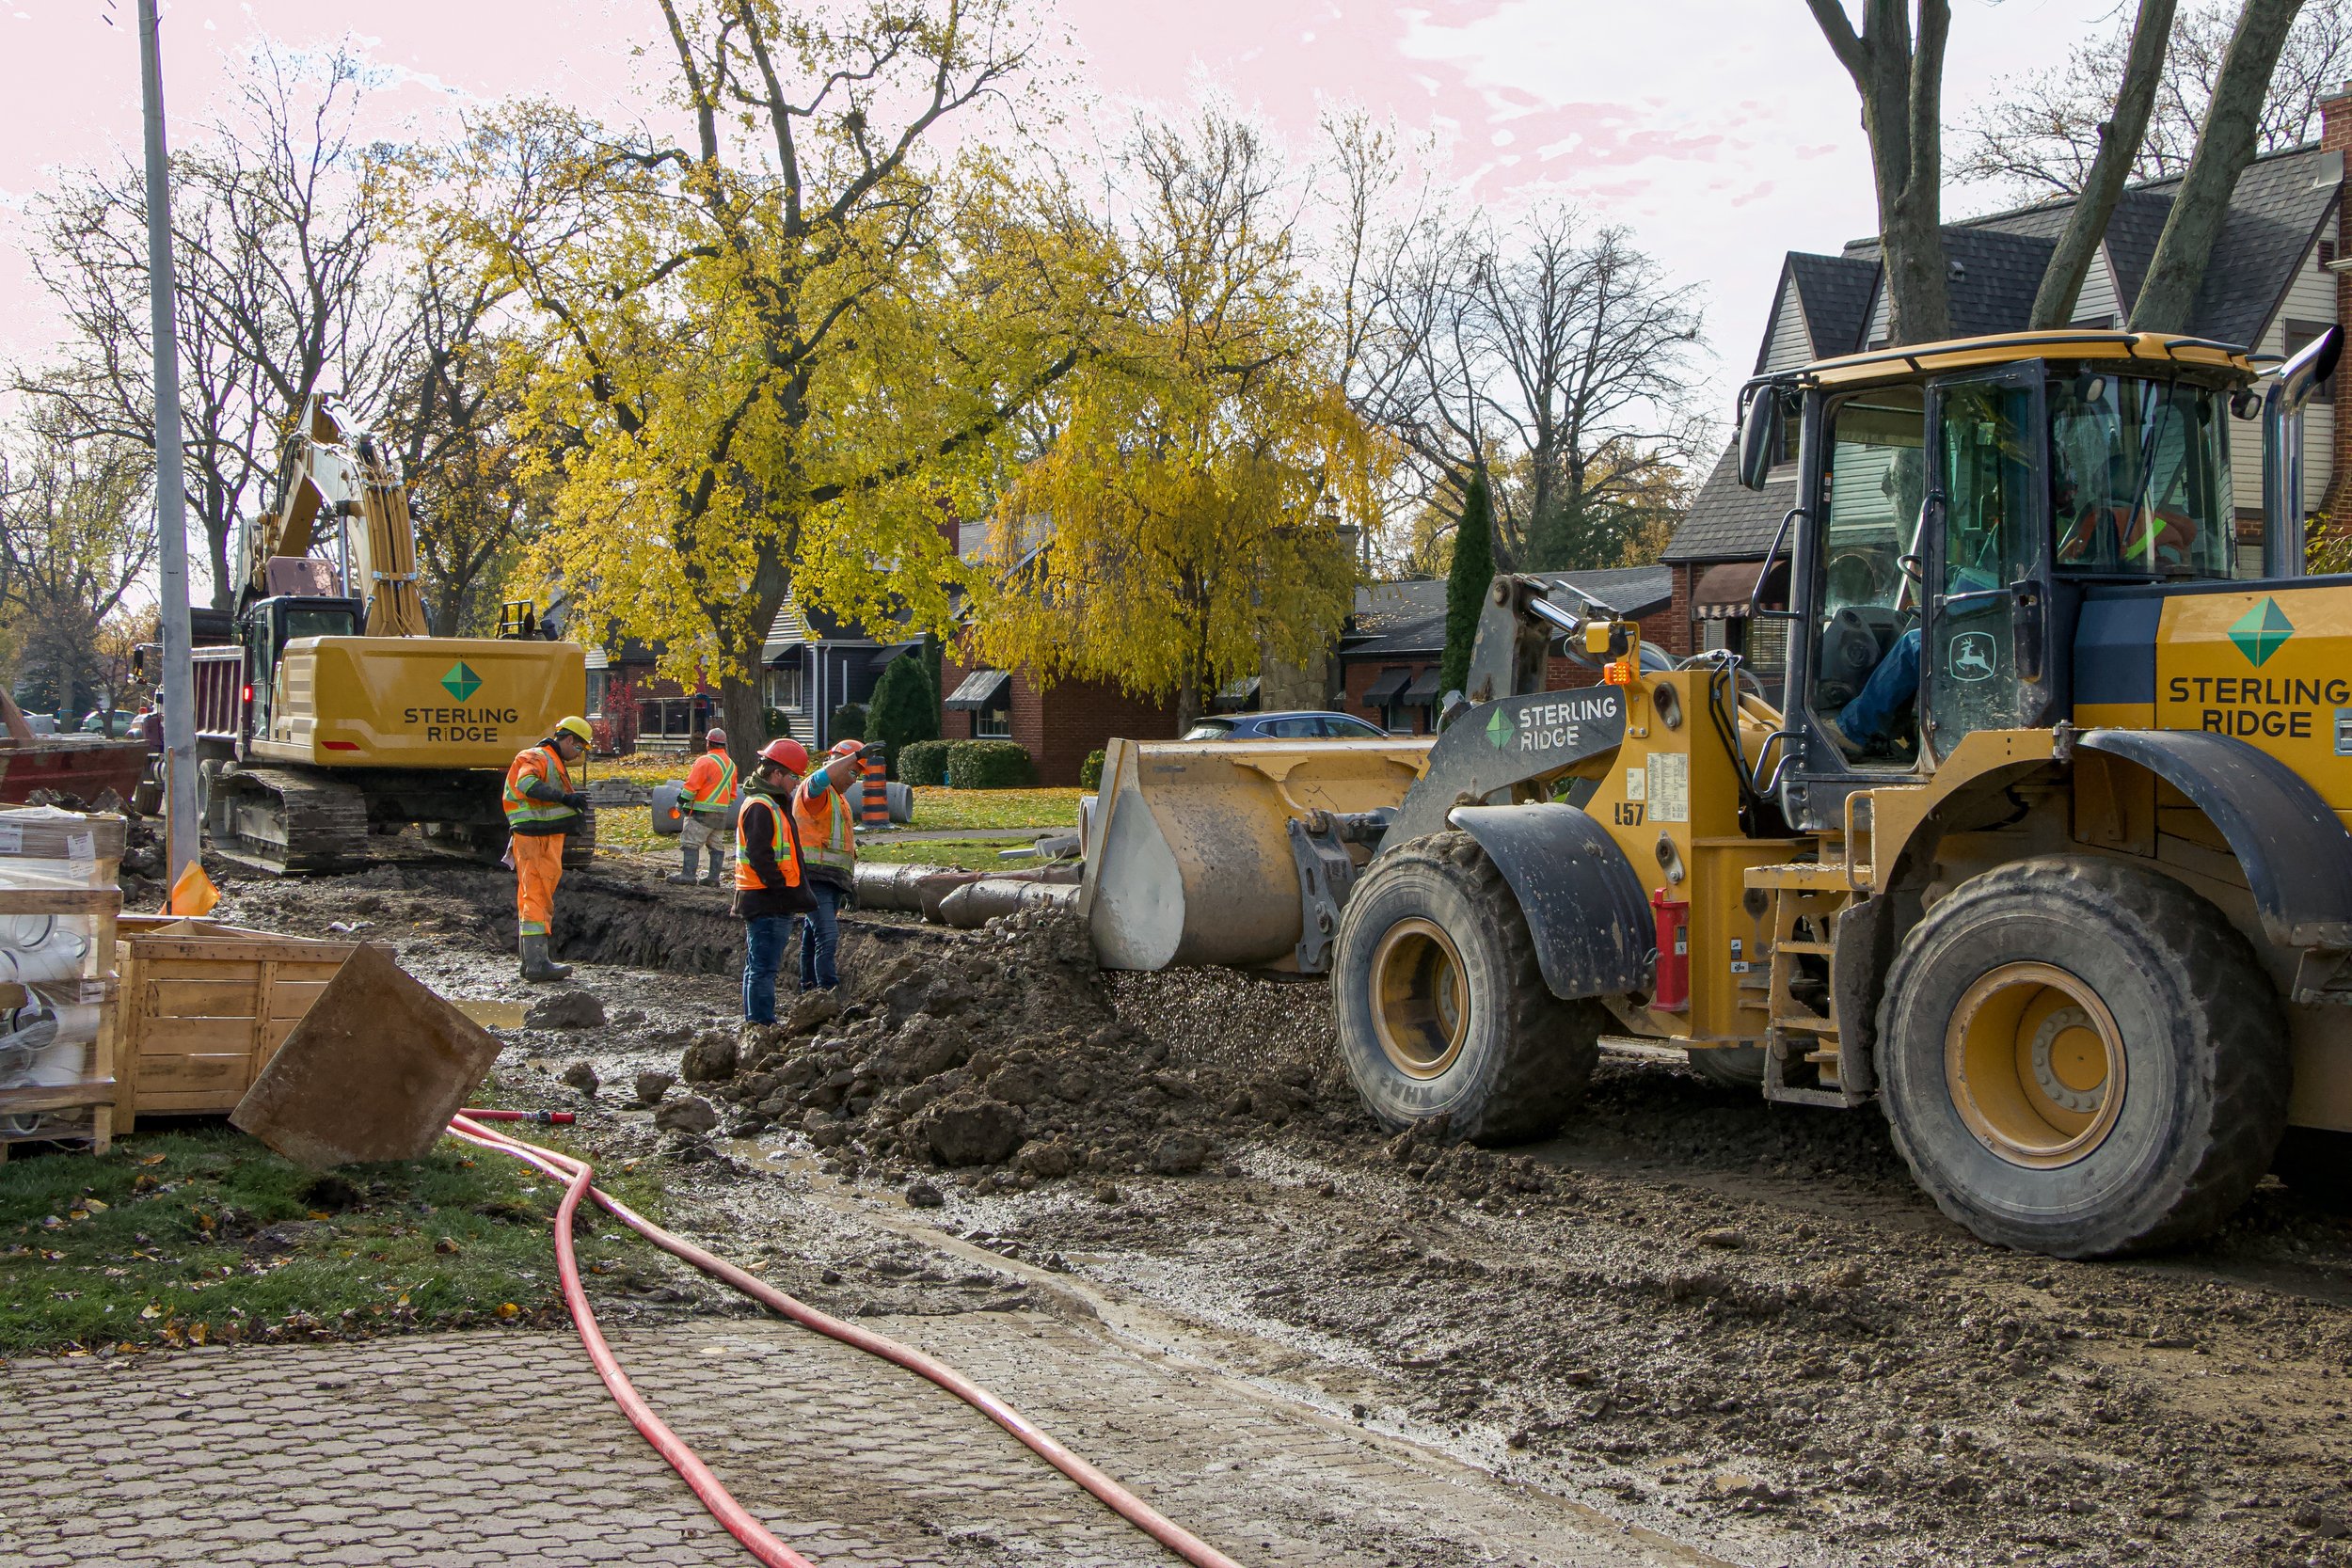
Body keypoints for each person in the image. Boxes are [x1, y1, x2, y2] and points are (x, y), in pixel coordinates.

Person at [503, 716, 594, 982]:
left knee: (534, 895)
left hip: (542, 837)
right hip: (536, 837)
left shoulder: (551, 761)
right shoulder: (538, 756)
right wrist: (564, 797)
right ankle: (537, 964)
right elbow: (526, 784)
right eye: (579, 747)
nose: (578, 753)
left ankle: (531, 961)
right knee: (537, 897)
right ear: (568, 739)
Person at [735, 738, 818, 1025]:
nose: (797, 783)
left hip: (764, 898)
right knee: (764, 968)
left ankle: (756, 1022)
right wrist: (782, 890)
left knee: (756, 966)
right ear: (777, 774)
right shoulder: (762, 806)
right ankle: (761, 1023)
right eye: (794, 776)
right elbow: (759, 855)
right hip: (767, 900)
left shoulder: (768, 803)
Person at [791, 738, 869, 992]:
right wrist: (854, 756)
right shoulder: (816, 792)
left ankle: (809, 989)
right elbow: (819, 779)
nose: (854, 779)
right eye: (852, 772)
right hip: (815, 878)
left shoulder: (839, 799)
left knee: (813, 938)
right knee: (827, 935)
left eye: (857, 774)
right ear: (837, 764)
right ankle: (827, 990)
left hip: (831, 880)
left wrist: (847, 882)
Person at [669, 727, 739, 885]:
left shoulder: (704, 761)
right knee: (716, 845)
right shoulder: (731, 765)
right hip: (721, 814)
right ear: (723, 745)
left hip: (701, 813)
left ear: (708, 743)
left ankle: (688, 875)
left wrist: (680, 803)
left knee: (691, 842)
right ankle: (713, 878)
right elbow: (732, 794)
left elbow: (691, 787)